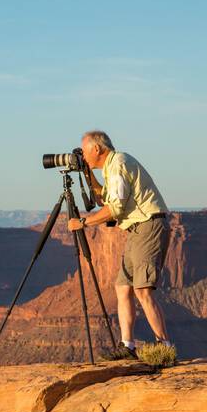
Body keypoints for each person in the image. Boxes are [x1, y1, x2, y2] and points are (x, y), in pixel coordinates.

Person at [67, 130, 171, 353]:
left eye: (84, 152)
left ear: (96, 149)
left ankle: (165, 346)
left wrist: (83, 223)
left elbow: (114, 209)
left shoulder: (118, 165)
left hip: (148, 225)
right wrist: (87, 174)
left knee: (143, 290)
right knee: (123, 287)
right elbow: (103, 198)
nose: (83, 156)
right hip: (137, 228)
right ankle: (127, 345)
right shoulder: (112, 167)